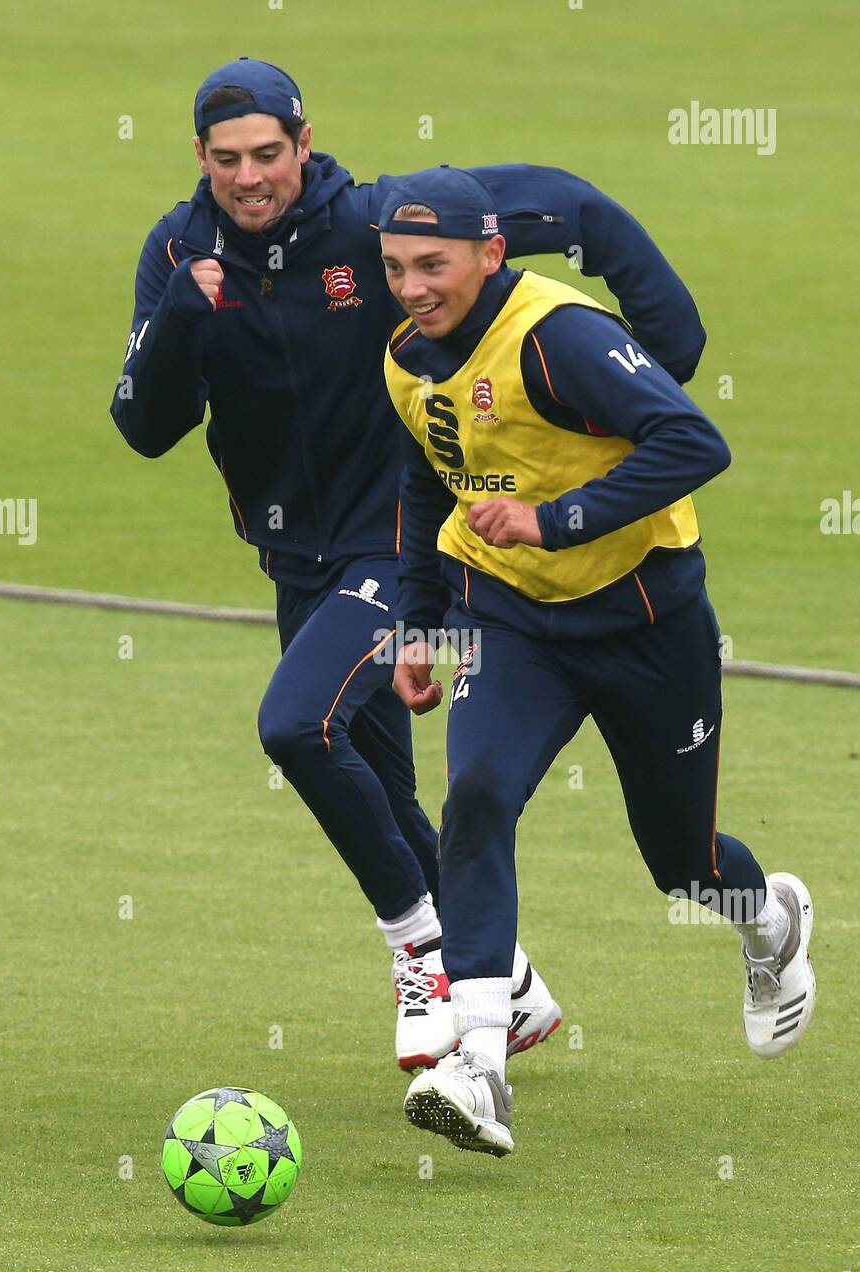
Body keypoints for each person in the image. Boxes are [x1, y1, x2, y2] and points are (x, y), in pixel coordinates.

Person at [110, 57, 709, 1073]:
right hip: (295, 558)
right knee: (381, 791)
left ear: (304, 144)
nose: (250, 178)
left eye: (267, 153)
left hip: (398, 543)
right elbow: (144, 424)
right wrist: (182, 308)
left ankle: (424, 953)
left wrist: (668, 345)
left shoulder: (380, 228)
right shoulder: (179, 251)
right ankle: (505, 989)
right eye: (226, 160)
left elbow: (570, 206)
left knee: (295, 725)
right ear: (201, 159)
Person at [381, 167, 816, 1157]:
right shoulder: (405, 358)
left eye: (432, 264)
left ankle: (770, 918)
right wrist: (422, 625)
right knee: (478, 794)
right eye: (396, 266)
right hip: (507, 618)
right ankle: (479, 1064)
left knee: (683, 865)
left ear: (491, 254)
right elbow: (422, 478)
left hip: (644, 621)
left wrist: (551, 519)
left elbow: (690, 440)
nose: (412, 286)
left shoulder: (557, 335)